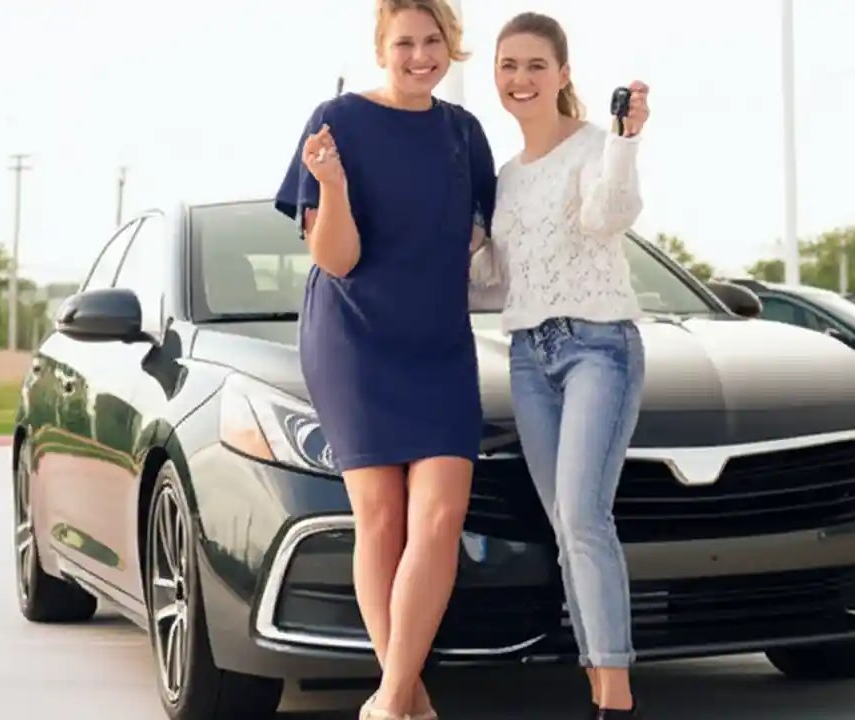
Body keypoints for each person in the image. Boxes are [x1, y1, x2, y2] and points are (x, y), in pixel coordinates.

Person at [273, 1, 497, 718]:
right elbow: (336, 259)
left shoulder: (465, 133)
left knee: (441, 517)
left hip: (437, 344)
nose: (420, 55)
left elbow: (474, 243)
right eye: (405, 42)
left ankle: (394, 700)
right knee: (382, 520)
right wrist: (333, 186)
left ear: (451, 47)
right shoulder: (336, 123)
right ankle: (405, 700)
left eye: (434, 41)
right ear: (381, 47)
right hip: (355, 339)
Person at [475, 11, 651, 720]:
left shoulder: (593, 146)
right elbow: (491, 284)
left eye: (535, 66)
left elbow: (610, 215)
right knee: (564, 525)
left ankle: (616, 701)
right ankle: (596, 686)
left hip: (598, 348)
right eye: (509, 66)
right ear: (496, 75)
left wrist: (626, 141)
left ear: (563, 74)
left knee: (583, 516)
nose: (521, 79)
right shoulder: (502, 178)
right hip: (527, 357)